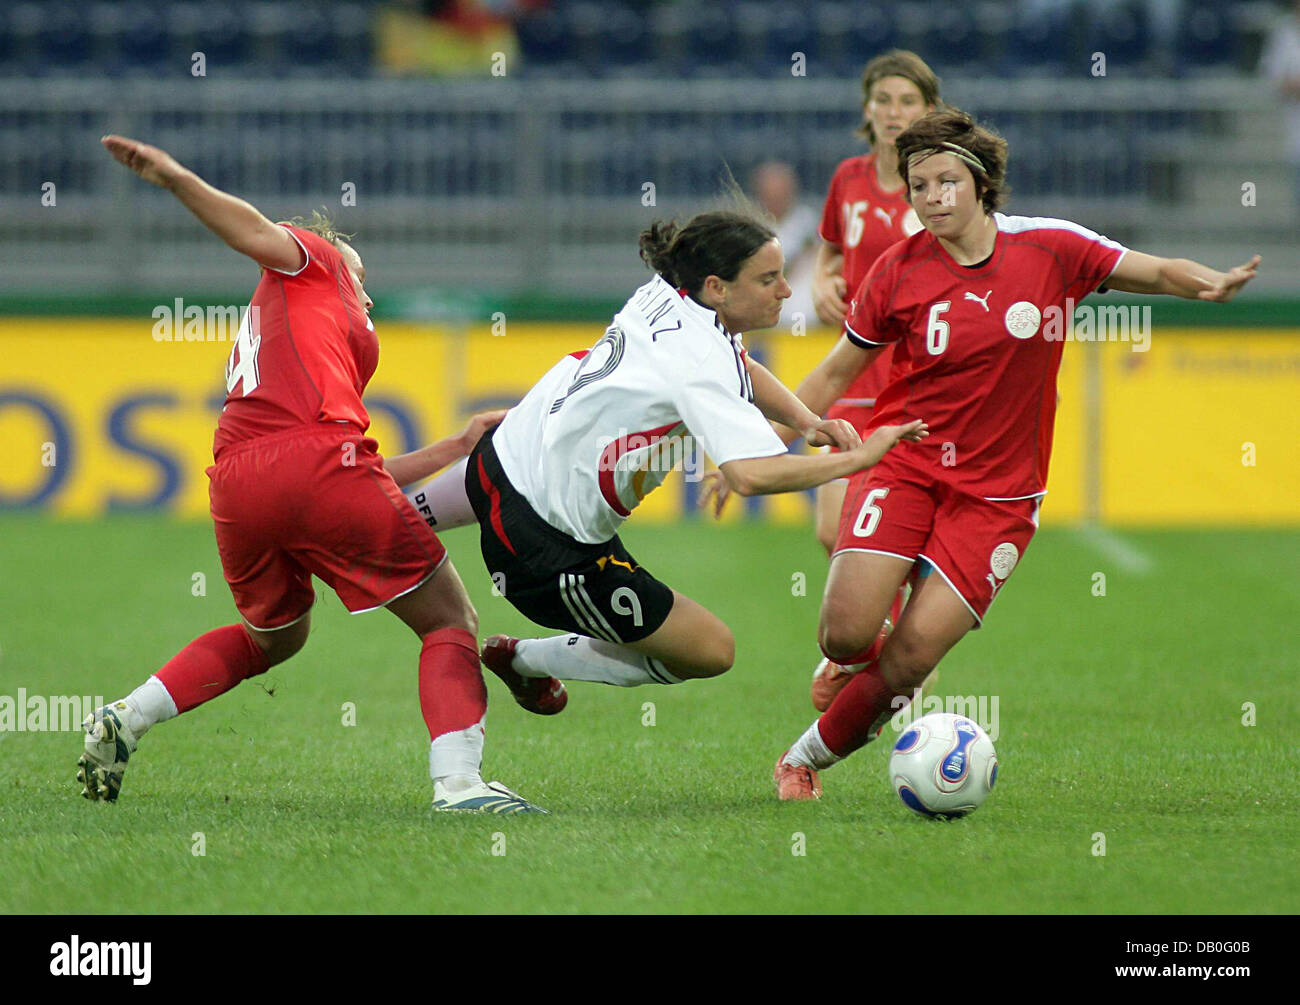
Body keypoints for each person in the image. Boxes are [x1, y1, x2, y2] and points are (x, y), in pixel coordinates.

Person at [771, 108, 1259, 800]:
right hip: (906, 464)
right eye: (918, 186)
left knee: (912, 658)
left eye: (946, 181)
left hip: (997, 499)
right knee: (845, 633)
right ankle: (859, 661)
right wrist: (761, 444)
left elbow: (1146, 270)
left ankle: (801, 760)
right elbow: (834, 375)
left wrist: (1206, 283)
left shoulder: (1050, 248)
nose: (933, 197)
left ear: (980, 181)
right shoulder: (897, 270)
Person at [78, 135, 543, 815]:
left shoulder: (289, 336)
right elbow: (257, 232)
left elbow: (361, 475)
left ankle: (130, 713)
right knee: (449, 616)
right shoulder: (316, 262)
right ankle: (459, 784)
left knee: (277, 635)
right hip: (316, 467)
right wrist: (178, 177)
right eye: (364, 279)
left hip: (239, 481)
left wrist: (456, 442)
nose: (368, 293)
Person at [401, 207, 927, 707]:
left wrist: (807, 421)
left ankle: (333, 528)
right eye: (769, 279)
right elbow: (749, 476)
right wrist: (858, 460)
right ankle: (524, 658)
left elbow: (736, 361)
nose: (787, 291)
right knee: (711, 651)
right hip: (544, 543)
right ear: (718, 288)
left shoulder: (668, 293)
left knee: (383, 527)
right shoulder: (699, 360)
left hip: (505, 455)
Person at [805, 50, 942, 711]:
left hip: (914, 381)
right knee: (832, 529)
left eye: (906, 101)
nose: (893, 112)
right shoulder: (848, 179)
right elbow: (830, 251)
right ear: (867, 108)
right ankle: (881, 630)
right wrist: (820, 280)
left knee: (900, 537)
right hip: (855, 372)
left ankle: (901, 670)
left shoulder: (936, 188)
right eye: (883, 99)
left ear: (927, 111)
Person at [750, 160, 819, 328]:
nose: (775, 199)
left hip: (799, 299)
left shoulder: (807, 223)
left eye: (780, 192)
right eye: (770, 193)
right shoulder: (749, 225)